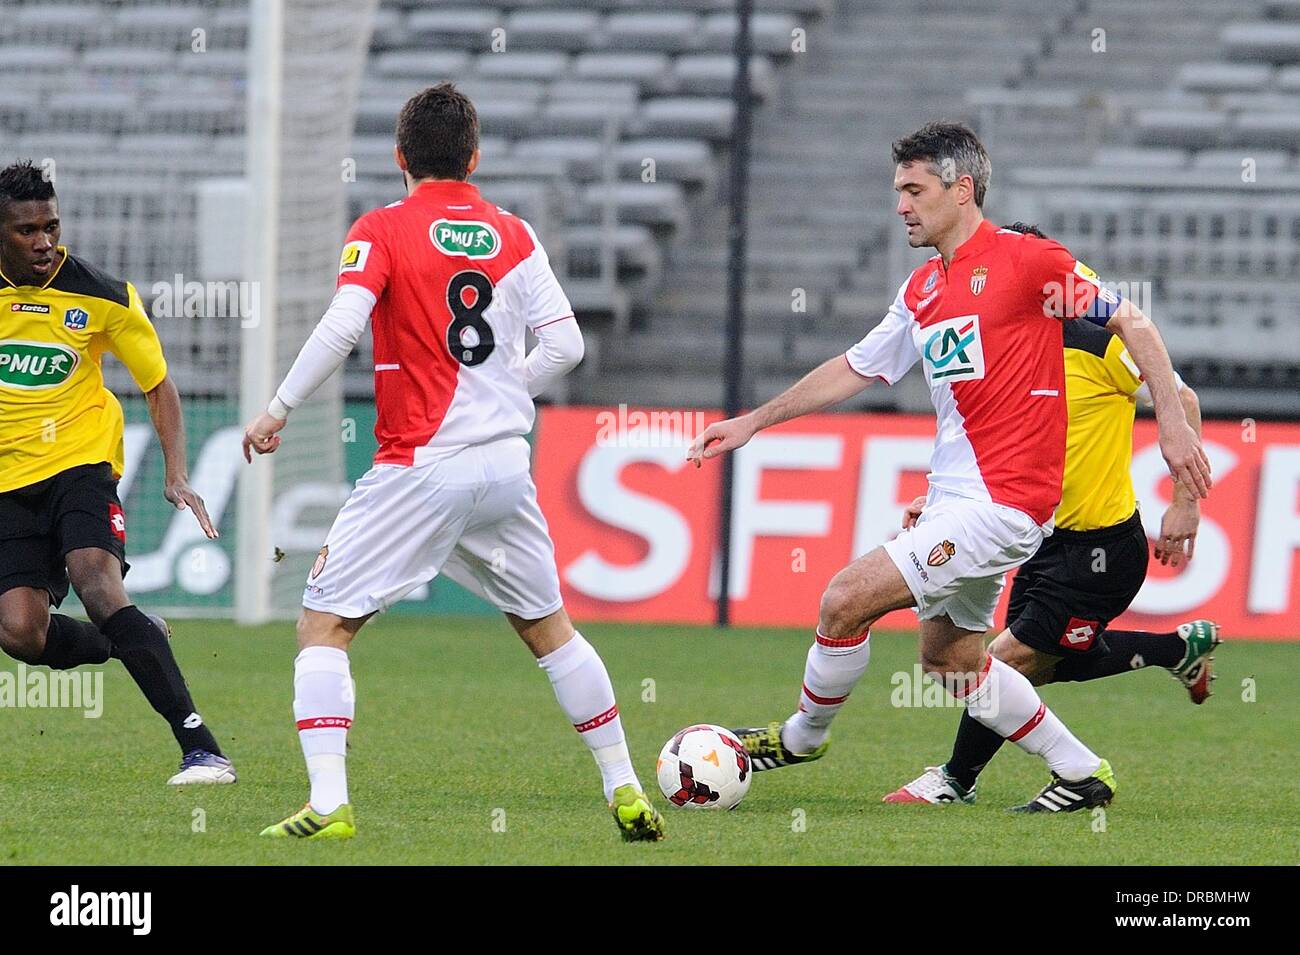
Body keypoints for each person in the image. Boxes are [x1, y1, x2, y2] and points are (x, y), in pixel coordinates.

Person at [688, 123, 1211, 812]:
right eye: (897, 191)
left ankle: (803, 736)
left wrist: (1173, 428)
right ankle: (1083, 773)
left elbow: (1133, 325)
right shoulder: (924, 291)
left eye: (914, 189)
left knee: (844, 599)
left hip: (1004, 506)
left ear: (960, 189)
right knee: (951, 661)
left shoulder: (1027, 261)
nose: (901, 205)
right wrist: (755, 419)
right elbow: (855, 367)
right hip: (958, 502)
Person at [243, 84, 664, 841]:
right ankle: (625, 785)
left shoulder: (382, 227)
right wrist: (505, 387)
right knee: (550, 628)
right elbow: (566, 345)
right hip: (506, 466)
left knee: (323, 627)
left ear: (400, 158)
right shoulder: (514, 231)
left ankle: (331, 802)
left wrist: (277, 407)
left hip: (423, 463)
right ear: (474, 158)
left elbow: (343, 325)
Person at [883, 223, 1221, 808]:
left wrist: (1185, 503)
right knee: (1034, 667)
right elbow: (985, 440)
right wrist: (941, 502)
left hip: (1100, 548)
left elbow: (1182, 398)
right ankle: (1174, 650)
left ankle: (958, 780)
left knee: (998, 662)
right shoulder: (1001, 341)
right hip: (1030, 534)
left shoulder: (1094, 339)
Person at [0, 160, 234, 785]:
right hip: (8, 487)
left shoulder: (102, 295)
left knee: (97, 586)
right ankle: (137, 638)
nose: (44, 242)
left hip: (81, 467)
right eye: (26, 231)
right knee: (20, 633)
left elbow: (158, 385)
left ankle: (201, 747)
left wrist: (176, 474)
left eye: (51, 226)